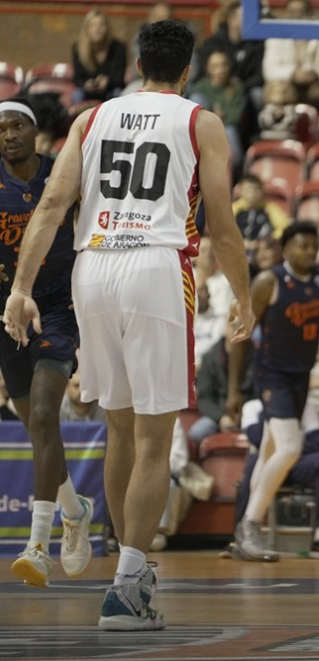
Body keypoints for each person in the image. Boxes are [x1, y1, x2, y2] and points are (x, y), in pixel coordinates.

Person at [4, 20, 254, 631]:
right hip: (156, 267)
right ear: (188, 70)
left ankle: (126, 573)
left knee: (119, 428)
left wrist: (20, 287)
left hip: (92, 267)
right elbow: (222, 225)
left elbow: (52, 205)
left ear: (137, 65)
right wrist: (244, 298)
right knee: (153, 437)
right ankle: (128, 587)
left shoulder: (91, 118)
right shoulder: (201, 122)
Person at [0, 98, 94, 589]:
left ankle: (37, 546)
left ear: (35, 131)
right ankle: (75, 511)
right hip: (9, 309)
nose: (8, 135)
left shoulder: (63, 173)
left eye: (17, 125)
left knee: (42, 415)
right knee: (37, 428)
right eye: (1, 129)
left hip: (58, 305)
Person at [226, 221, 319, 561]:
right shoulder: (269, 281)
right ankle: (250, 525)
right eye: (303, 246)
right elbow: (241, 334)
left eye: (314, 246)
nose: (310, 252)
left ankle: (244, 534)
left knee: (268, 453)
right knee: (290, 449)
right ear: (286, 249)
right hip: (272, 374)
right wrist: (234, 389)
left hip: (301, 374)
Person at [231, 400, 319, 560]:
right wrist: (275, 420)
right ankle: (241, 537)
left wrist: (291, 447)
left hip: (295, 463)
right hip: (267, 464)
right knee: (254, 462)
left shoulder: (305, 405)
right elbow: (256, 438)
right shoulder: (253, 406)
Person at [71, 9, 128, 103]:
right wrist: (86, 84)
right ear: (86, 29)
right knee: (77, 95)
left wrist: (107, 81)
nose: (97, 29)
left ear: (107, 28)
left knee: (118, 93)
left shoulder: (118, 47)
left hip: (111, 89)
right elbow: (77, 77)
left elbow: (119, 76)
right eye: (93, 25)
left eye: (101, 25)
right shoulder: (77, 48)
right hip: (87, 91)